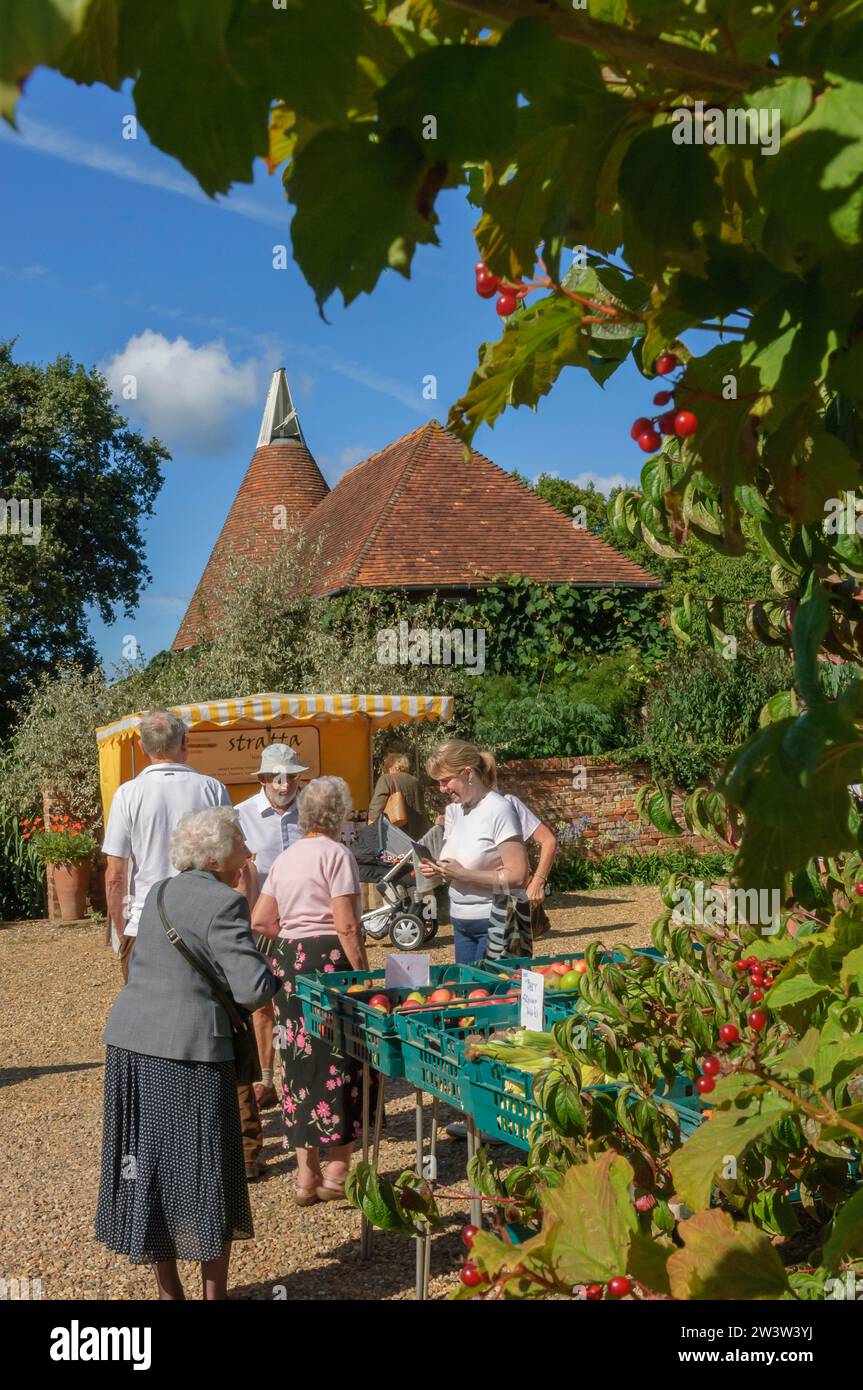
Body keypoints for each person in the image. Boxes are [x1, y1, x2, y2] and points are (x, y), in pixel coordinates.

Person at [95, 807, 283, 1301]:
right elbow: (254, 989)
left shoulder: (159, 891)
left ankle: (169, 1293)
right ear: (219, 855)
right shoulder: (225, 902)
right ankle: (213, 1296)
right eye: (240, 838)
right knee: (206, 1173)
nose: (247, 846)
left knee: (149, 1168)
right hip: (190, 1053)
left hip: (131, 1042)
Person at [251, 776, 372, 1206]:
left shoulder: (285, 858)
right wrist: (363, 976)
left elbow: (262, 920)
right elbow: (347, 924)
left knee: (299, 1065)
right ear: (338, 813)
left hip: (291, 961)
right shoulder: (338, 853)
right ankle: (337, 1172)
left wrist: (290, 943)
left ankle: (306, 1176)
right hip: (329, 959)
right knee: (343, 1059)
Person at [102, 707, 231, 984]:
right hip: (203, 922)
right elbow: (232, 859)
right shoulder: (212, 788)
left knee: (145, 1015)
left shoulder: (127, 795)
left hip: (144, 923)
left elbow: (115, 875)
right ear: (184, 742)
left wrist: (122, 930)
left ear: (141, 746)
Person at [236, 744, 309, 1111]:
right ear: (263, 779)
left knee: (296, 1001)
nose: (285, 784)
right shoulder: (242, 815)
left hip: (301, 921)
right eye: (278, 777)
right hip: (258, 921)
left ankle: (297, 1076)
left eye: (291, 776)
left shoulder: (310, 813)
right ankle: (266, 1080)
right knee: (262, 1003)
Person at [419, 739, 529, 964]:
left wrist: (462, 874)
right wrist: (438, 870)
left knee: (488, 997)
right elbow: (459, 862)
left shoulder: (499, 809)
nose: (442, 789)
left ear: (468, 773)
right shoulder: (454, 812)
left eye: (446, 781)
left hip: (496, 921)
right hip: (460, 923)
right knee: (465, 995)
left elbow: (518, 876)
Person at [368, 751, 429, 840]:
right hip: (418, 835)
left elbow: (376, 807)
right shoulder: (415, 781)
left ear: (391, 766)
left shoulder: (386, 779)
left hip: (395, 836)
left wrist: (371, 828)